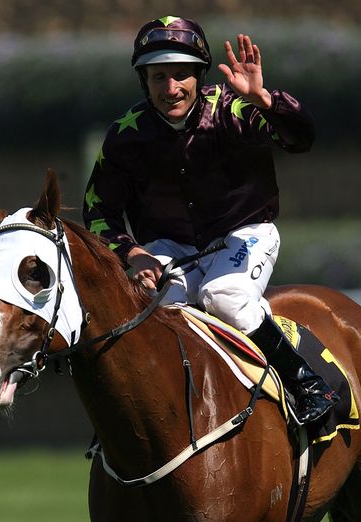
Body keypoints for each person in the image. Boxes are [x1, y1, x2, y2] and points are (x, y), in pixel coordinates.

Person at [83, 16, 339, 425]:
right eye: (158, 77)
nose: (171, 89)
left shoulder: (235, 107)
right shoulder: (124, 137)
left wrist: (264, 100)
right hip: (171, 247)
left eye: (181, 75)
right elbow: (98, 213)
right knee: (148, 310)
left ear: (200, 76)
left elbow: (301, 139)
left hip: (244, 232)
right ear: (143, 81)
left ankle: (307, 383)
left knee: (223, 297)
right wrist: (132, 253)